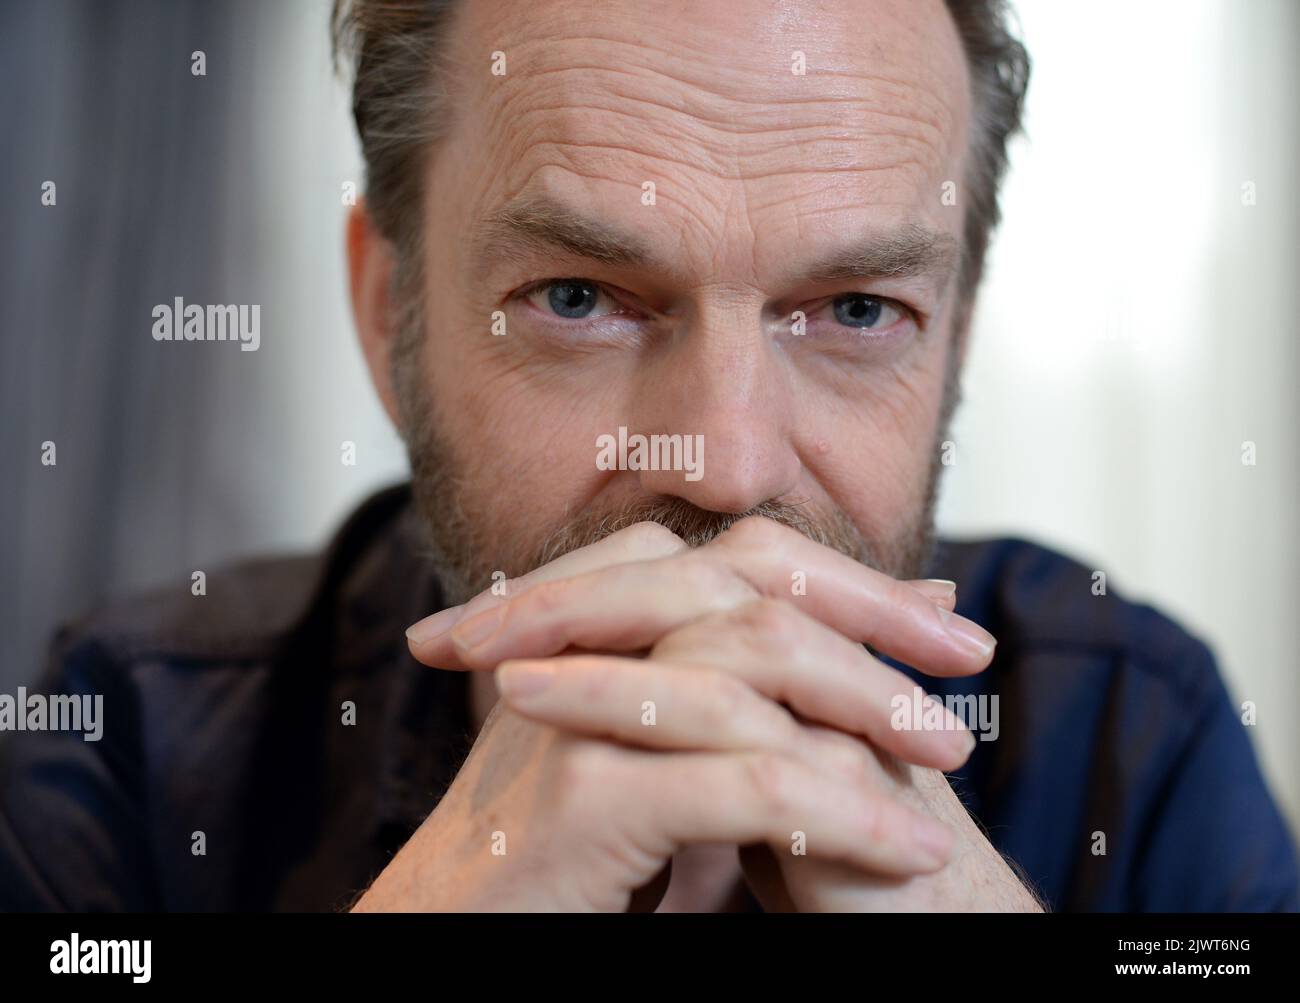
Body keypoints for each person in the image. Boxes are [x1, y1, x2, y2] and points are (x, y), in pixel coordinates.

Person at [1, 0, 1295, 912]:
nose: (726, 470)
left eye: (853, 313)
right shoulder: (138, 740)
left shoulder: (1138, 737)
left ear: (951, 345)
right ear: (387, 313)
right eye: (578, 298)